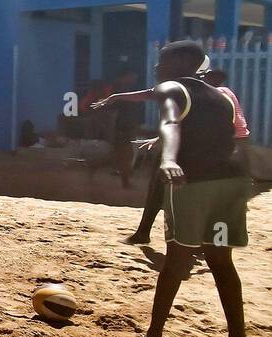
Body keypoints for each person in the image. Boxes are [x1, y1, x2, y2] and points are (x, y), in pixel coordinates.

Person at [136, 41, 250, 337]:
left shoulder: (175, 91)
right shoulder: (224, 96)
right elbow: (219, 134)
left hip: (194, 185)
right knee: (221, 262)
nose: (157, 68)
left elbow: (175, 126)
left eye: (162, 62)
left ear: (183, 63)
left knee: (176, 260)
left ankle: (154, 334)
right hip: (229, 186)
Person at [99, 64, 248, 245]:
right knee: (161, 186)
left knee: (180, 191)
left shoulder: (218, 97)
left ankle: (156, 234)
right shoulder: (200, 95)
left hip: (213, 151)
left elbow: (233, 131)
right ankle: (146, 232)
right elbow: (177, 121)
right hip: (207, 149)